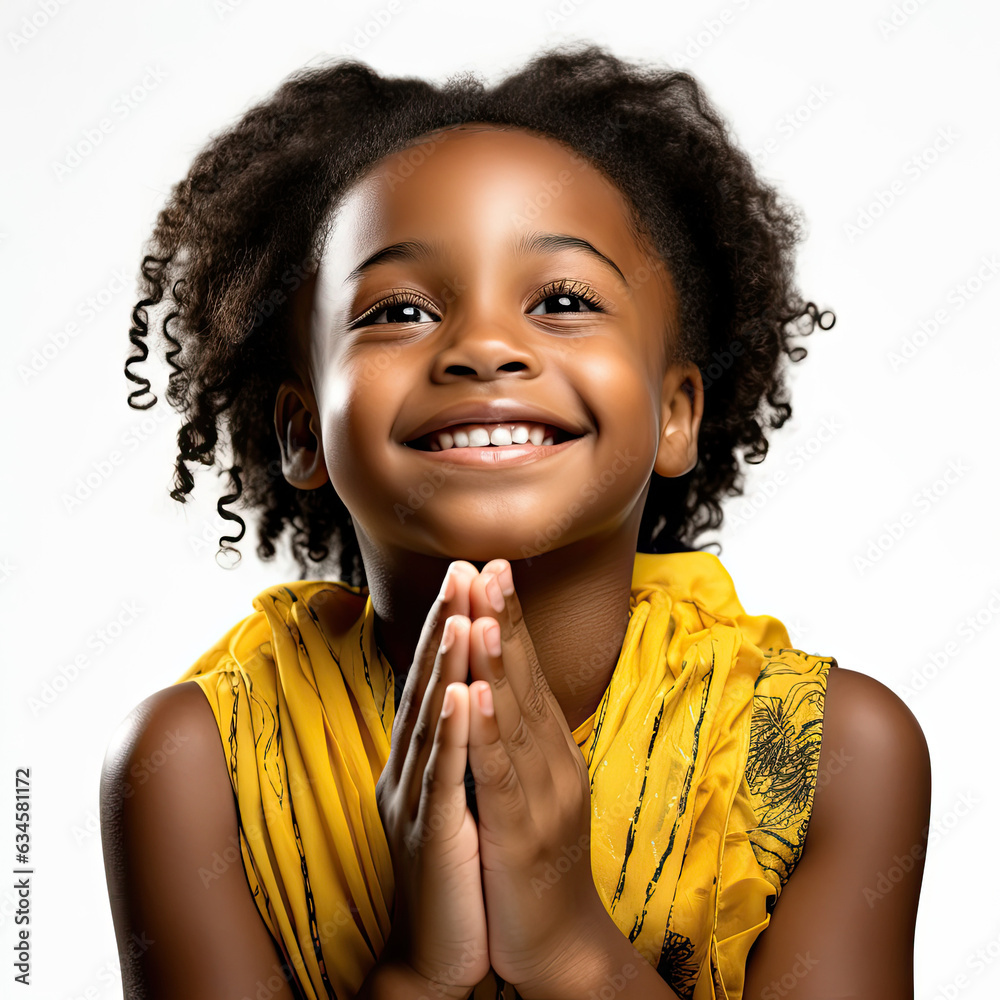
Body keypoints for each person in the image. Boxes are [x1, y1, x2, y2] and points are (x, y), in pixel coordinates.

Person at [100, 43, 931, 1000]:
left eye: (564, 301)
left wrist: (574, 951)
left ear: (676, 415)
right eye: (399, 311)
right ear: (302, 432)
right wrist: (419, 972)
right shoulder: (192, 768)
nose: (485, 347)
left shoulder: (833, 755)